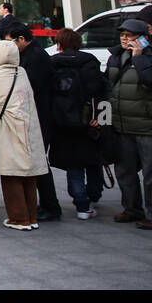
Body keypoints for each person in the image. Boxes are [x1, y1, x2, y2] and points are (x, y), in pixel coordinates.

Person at [0, 40, 49, 230]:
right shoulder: (22, 72)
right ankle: (32, 216)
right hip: (30, 127)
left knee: (11, 174)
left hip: (9, 128)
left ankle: (19, 218)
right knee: (28, 174)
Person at [46, 28, 108, 219]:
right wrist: (103, 120)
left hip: (64, 123)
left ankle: (81, 205)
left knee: (74, 166)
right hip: (90, 121)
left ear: (59, 44)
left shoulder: (53, 65)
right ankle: (94, 195)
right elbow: (102, 92)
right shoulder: (90, 63)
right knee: (93, 162)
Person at [8, 23, 62, 221]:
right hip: (37, 114)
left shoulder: (36, 57)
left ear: (21, 39)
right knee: (36, 162)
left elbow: (32, 87)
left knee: (39, 162)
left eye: (12, 41)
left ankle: (50, 205)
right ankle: (46, 204)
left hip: (40, 115)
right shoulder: (31, 55)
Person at [107, 17, 152, 229]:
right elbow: (108, 84)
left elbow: (151, 80)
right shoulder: (116, 56)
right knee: (125, 171)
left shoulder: (151, 56)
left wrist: (139, 57)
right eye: (123, 35)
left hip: (147, 125)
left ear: (144, 39)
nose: (125, 39)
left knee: (151, 174)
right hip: (121, 124)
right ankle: (131, 208)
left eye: (130, 36)